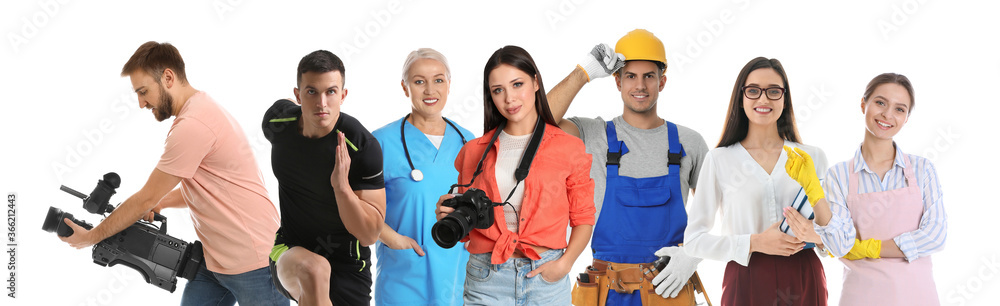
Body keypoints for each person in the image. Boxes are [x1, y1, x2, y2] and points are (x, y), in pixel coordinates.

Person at [59, 41, 287, 306]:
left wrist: (91, 237)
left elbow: (145, 198)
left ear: (168, 77)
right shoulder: (200, 109)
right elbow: (206, 187)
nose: (141, 103)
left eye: (143, 92)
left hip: (254, 261)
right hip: (214, 260)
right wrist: (162, 202)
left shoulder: (193, 125)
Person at [546, 29, 710, 305]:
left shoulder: (689, 143)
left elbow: (721, 209)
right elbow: (537, 123)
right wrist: (584, 72)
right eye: (631, 76)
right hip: (606, 291)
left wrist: (693, 253)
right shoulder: (593, 134)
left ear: (662, 81)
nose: (640, 86)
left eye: (649, 76)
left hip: (669, 288)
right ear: (617, 81)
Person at [435, 45, 595, 305]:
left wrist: (565, 264)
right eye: (498, 90)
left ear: (535, 82)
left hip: (546, 279)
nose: (509, 98)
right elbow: (471, 227)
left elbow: (584, 217)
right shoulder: (473, 152)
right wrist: (451, 215)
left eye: (517, 84)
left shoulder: (569, 148)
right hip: (486, 278)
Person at [783, 73, 946, 305]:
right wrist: (814, 190)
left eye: (899, 109)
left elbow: (935, 236)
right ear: (863, 104)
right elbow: (839, 244)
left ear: (906, 118)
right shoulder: (839, 175)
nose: (887, 114)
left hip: (918, 298)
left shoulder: (922, 170)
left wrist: (871, 248)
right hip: (860, 297)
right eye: (880, 102)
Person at [684, 57, 829, 305]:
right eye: (753, 91)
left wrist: (816, 235)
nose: (763, 99)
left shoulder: (812, 157)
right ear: (741, 98)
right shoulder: (719, 160)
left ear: (785, 98)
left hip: (804, 275)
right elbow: (694, 242)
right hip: (746, 276)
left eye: (773, 91)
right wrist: (754, 242)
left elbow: (836, 234)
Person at [262, 50, 387, 306]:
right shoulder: (279, 122)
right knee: (314, 269)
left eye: (330, 92)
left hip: (348, 265)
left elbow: (369, 235)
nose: (321, 103)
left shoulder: (362, 146)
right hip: (291, 252)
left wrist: (342, 188)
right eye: (312, 92)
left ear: (343, 95)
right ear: (298, 95)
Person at [371, 48, 475, 306]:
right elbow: (359, 209)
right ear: (405, 87)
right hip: (404, 277)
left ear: (449, 85)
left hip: (457, 276)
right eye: (419, 81)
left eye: (438, 80)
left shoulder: (468, 141)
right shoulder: (381, 142)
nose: (430, 90)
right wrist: (392, 239)